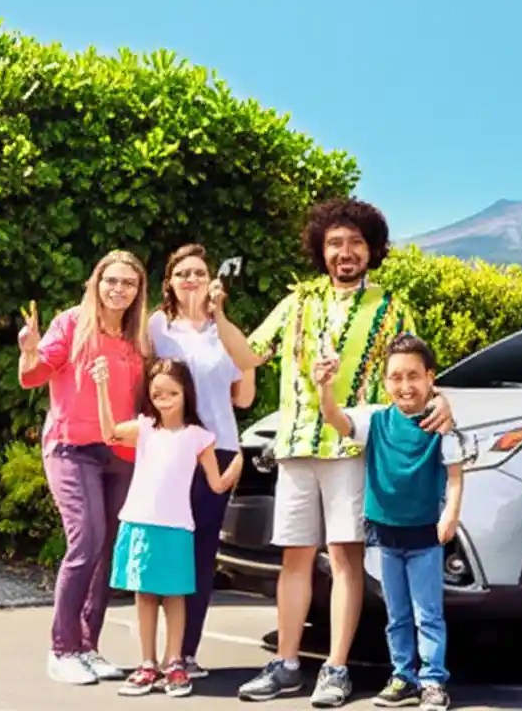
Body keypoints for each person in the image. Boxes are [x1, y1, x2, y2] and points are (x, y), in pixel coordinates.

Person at [210, 198, 455, 707]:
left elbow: (415, 373)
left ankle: (337, 669)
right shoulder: (297, 302)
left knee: (345, 558)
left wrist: (443, 399)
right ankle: (286, 663)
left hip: (353, 446)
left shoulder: (391, 307)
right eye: (335, 243)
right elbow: (250, 354)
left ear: (372, 249)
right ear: (321, 250)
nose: (345, 252)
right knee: (294, 557)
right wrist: (218, 316)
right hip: (297, 444)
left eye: (355, 243)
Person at [313, 333, 468, 711]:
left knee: (427, 612)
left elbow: (455, 475)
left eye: (413, 376)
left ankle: (433, 681)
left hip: (424, 535)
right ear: (385, 382)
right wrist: (324, 389)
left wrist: (451, 513)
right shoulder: (376, 420)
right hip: (385, 534)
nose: (405, 386)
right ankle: (403, 677)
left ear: (430, 377)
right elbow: (336, 419)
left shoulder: (439, 425)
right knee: (396, 613)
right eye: (396, 377)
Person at [17, 250, 151, 685]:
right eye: (111, 281)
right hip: (71, 447)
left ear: (137, 291)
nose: (118, 290)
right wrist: (28, 351)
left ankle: (88, 647)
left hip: (120, 455)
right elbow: (33, 376)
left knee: (106, 551)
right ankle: (62, 648)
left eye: (128, 284)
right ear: (96, 282)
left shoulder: (137, 337)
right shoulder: (72, 322)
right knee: (86, 541)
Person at [91, 355, 244, 697]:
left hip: (176, 525)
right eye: (157, 393)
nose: (164, 399)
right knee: (145, 595)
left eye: (172, 393)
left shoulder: (199, 437)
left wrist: (236, 467)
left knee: (175, 595)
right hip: (141, 522)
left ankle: (174, 661)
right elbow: (109, 433)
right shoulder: (144, 427)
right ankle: (148, 663)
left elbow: (216, 485)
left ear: (185, 394)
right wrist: (101, 385)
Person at [147, 243, 256, 679]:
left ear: (212, 280)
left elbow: (244, 396)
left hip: (219, 449)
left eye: (198, 272)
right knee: (163, 550)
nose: (190, 280)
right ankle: (149, 655)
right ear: (169, 282)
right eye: (181, 273)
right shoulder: (157, 327)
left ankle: (185, 654)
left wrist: (227, 329)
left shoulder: (223, 331)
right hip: (170, 451)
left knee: (200, 552)